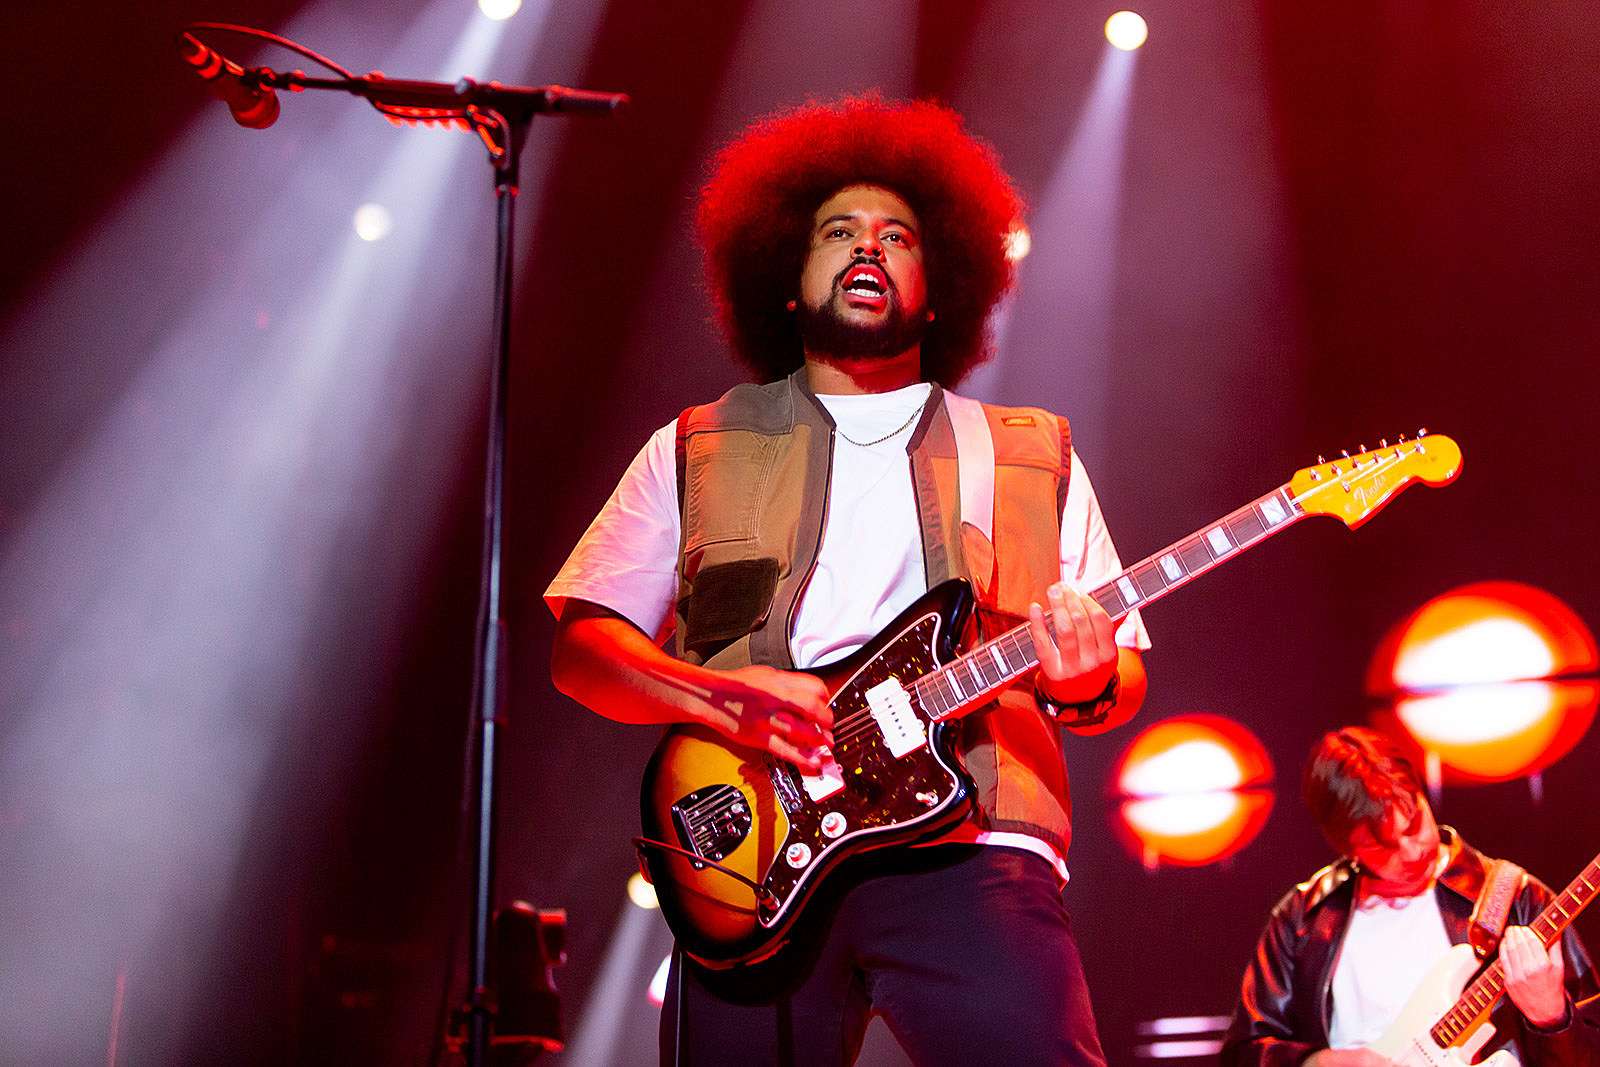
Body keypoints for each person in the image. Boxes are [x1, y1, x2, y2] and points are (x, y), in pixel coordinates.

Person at [545, 96, 1149, 1067]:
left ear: (943, 276)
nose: (867, 247)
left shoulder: (1030, 451)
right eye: (838, 231)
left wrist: (1084, 678)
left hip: (976, 844)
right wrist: (722, 693)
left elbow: (1114, 677)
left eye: (898, 235)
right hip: (751, 851)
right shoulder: (696, 444)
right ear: (784, 273)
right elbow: (582, 649)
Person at [1221, 726, 1600, 1066]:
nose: (1412, 851)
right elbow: (1243, 1054)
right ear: (1347, 849)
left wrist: (1552, 1018)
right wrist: (1320, 1062)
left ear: (1420, 791)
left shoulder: (1517, 898)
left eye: (1414, 821)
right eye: (1382, 846)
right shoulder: (1302, 917)